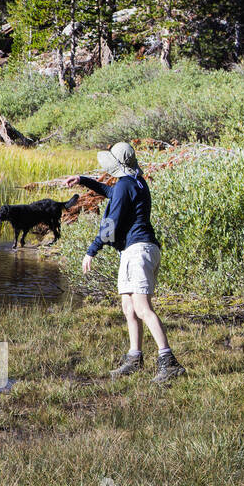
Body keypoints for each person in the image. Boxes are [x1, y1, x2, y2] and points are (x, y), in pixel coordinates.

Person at [62, 141, 185, 384]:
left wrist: (92, 250)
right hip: (140, 249)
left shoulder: (125, 185)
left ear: (117, 165)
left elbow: (111, 226)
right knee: (129, 307)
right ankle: (134, 358)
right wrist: (83, 179)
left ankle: (168, 361)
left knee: (142, 308)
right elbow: (111, 192)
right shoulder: (135, 182)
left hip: (137, 251)